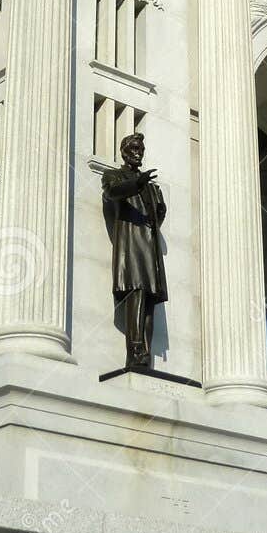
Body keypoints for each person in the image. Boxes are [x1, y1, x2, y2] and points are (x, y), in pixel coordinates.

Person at [102, 132, 167, 368]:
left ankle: (146, 356)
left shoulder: (149, 184)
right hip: (130, 244)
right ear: (124, 151)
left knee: (151, 297)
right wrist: (137, 184)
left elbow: (156, 215)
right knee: (137, 293)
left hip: (149, 245)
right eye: (134, 148)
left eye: (141, 149)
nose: (139, 152)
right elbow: (112, 193)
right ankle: (135, 350)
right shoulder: (114, 176)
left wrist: (160, 210)